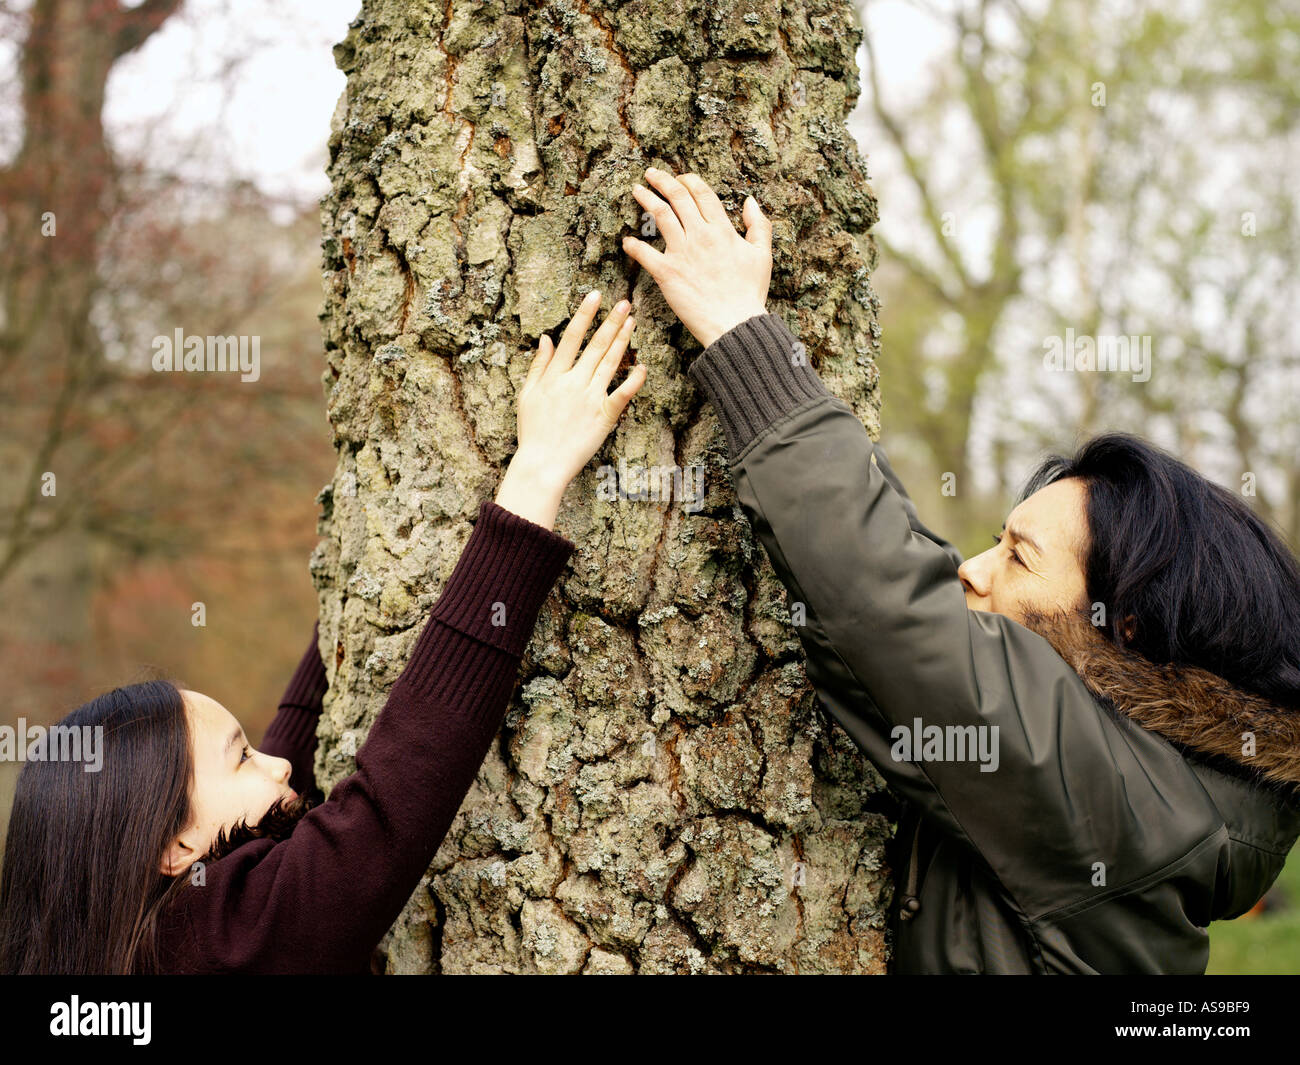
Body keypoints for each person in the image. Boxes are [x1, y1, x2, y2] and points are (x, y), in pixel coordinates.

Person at [622, 165, 1300, 973]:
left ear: (1122, 629)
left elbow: (897, 611)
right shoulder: (1178, 796)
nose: (971, 571)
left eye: (1020, 556)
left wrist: (743, 335)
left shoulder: (1127, 805)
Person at [0, 293, 648, 974]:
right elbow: (381, 815)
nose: (278, 765)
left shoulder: (146, 953)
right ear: (173, 846)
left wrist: (350, 580)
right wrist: (537, 476)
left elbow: (286, 773)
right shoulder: (211, 944)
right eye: (241, 757)